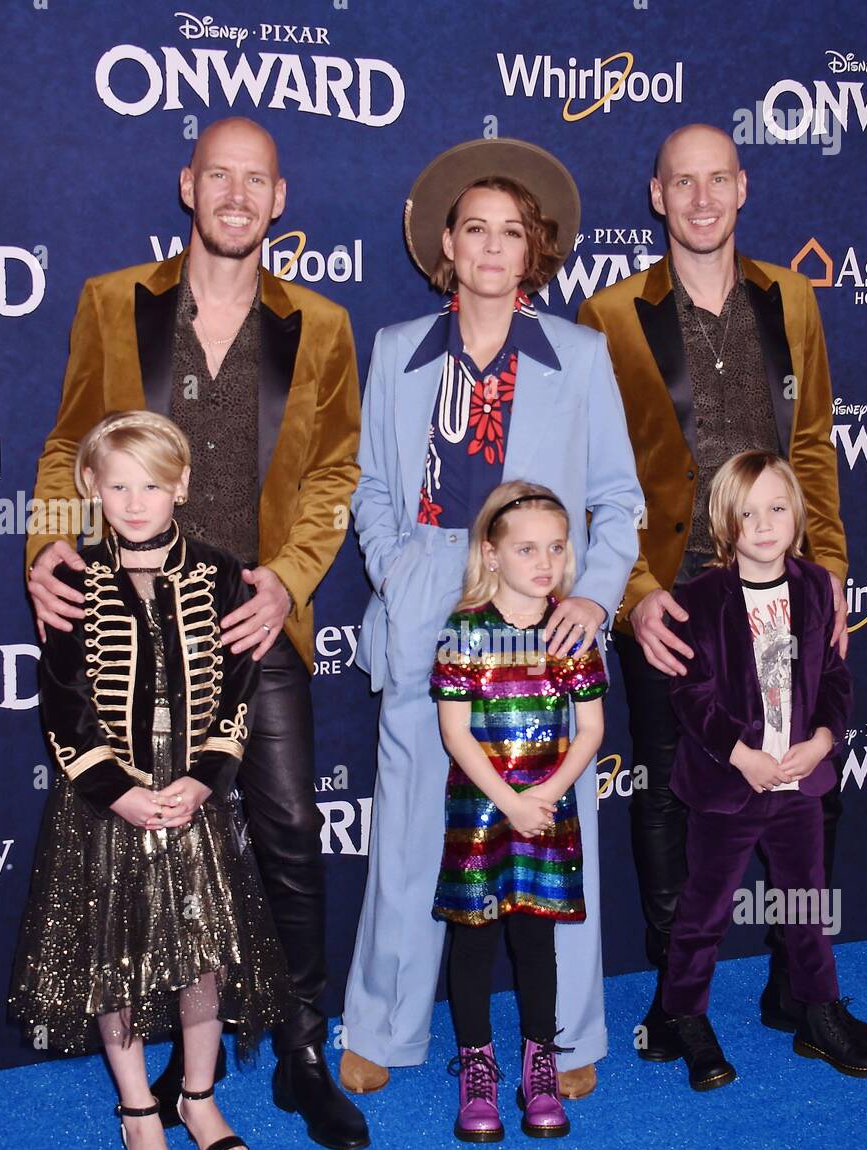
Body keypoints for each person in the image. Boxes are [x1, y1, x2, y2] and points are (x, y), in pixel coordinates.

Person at [22, 117, 368, 1150]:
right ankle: (176, 1063)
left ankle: (304, 1050)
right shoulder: (111, 303)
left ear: (278, 198)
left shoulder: (321, 324)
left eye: (253, 180)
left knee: (288, 829)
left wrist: (292, 580)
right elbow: (64, 444)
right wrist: (45, 550)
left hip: (248, 621)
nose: (234, 193)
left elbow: (331, 474)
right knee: (143, 842)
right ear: (187, 185)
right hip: (128, 618)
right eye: (217, 174)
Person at [577, 123, 867, 1062]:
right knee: (672, 797)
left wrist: (829, 569)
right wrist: (634, 591)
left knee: (809, 793)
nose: (702, 199)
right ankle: (681, 1006)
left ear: (743, 187)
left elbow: (812, 446)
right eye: (683, 183)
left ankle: (798, 996)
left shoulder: (788, 295)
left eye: (717, 179)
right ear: (655, 195)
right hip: (673, 602)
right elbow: (600, 471)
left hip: (785, 591)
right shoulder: (610, 315)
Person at [342, 139, 642, 1101]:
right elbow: (373, 487)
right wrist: (396, 567)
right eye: (475, 228)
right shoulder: (395, 351)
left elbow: (617, 500)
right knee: (411, 826)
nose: (491, 246)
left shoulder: (581, 355)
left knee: (557, 820)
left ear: (533, 252)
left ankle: (566, 1033)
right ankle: (386, 1029)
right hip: (428, 585)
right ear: (447, 243)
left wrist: (592, 596)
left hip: (540, 599)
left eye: (511, 233)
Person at [10, 412, 297, 1150]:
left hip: (193, 798)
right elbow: (62, 705)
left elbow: (238, 692)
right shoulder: (71, 580)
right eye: (118, 486)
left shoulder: (220, 573)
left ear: (182, 486)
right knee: (117, 961)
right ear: (91, 489)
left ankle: (198, 1098)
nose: (135, 502)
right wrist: (120, 792)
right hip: (108, 805)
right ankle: (138, 1111)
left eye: (152, 485)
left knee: (201, 955)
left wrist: (206, 777)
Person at [658, 451, 867, 1088]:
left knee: (807, 906)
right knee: (704, 910)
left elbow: (835, 679)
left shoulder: (816, 586)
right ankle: (685, 1018)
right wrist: (740, 754)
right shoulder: (701, 599)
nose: (764, 524)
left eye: (777, 509)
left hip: (799, 783)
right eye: (748, 513)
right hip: (728, 787)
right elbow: (688, 693)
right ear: (725, 525)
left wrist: (821, 739)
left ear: (798, 515)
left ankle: (818, 1013)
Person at [431, 483, 607, 1141]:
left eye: (556, 548)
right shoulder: (464, 632)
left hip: (546, 812)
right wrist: (507, 800)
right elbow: (455, 734)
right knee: (473, 936)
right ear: (492, 554)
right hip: (480, 813)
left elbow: (589, 730)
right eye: (527, 548)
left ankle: (539, 1062)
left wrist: (547, 795)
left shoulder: (570, 632)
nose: (544, 561)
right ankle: (476, 1066)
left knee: (536, 941)